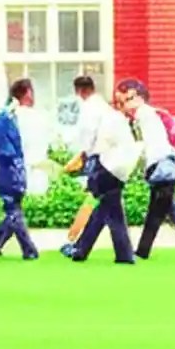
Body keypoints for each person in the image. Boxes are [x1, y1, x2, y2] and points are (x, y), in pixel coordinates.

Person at [113, 79, 175, 260]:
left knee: (159, 213)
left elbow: (147, 146)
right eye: (120, 103)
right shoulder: (146, 116)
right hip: (163, 168)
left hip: (162, 168)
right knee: (167, 209)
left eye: (126, 100)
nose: (123, 106)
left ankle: (147, 250)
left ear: (138, 98)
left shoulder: (144, 116)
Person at [67, 88, 141, 265]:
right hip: (110, 170)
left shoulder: (114, 120)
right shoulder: (116, 121)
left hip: (109, 169)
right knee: (113, 213)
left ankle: (82, 249)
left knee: (104, 212)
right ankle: (122, 254)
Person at [0, 78, 40, 260]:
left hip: (11, 165)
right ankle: (28, 248)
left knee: (13, 208)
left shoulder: (11, 114)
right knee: (13, 209)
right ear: (25, 94)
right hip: (9, 166)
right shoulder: (7, 115)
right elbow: (0, 144)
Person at [62, 76, 110, 254]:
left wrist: (81, 156)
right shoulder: (103, 106)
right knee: (105, 206)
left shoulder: (89, 108)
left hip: (96, 158)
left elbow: (88, 135)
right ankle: (80, 244)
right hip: (108, 159)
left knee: (91, 202)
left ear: (79, 91)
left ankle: (76, 242)